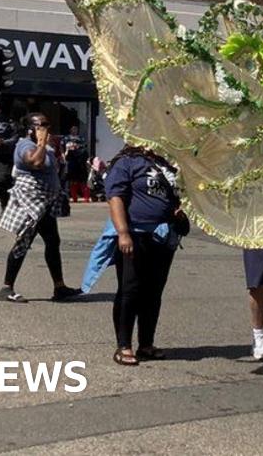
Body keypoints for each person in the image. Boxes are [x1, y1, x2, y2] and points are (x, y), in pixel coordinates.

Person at [103, 145, 187, 365]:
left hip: (163, 235)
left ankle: (146, 344)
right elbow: (115, 198)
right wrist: (123, 233)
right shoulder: (126, 162)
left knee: (153, 291)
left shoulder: (164, 162)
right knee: (130, 290)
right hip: (135, 234)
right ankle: (124, 345)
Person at [0, 113, 81, 303]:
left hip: (45, 202)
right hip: (31, 203)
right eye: (40, 125)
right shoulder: (25, 145)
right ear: (30, 129)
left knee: (52, 241)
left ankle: (59, 287)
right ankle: (6, 288)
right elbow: (35, 162)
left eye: (46, 124)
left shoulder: (46, 146)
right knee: (23, 242)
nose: (45, 128)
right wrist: (42, 143)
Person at [63, 125, 90, 203]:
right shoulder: (66, 139)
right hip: (72, 164)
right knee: (72, 181)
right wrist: (65, 153)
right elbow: (64, 151)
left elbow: (85, 153)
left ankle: (86, 198)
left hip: (80, 164)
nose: (74, 130)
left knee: (83, 181)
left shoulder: (81, 140)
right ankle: (74, 198)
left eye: (76, 129)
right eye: (73, 129)